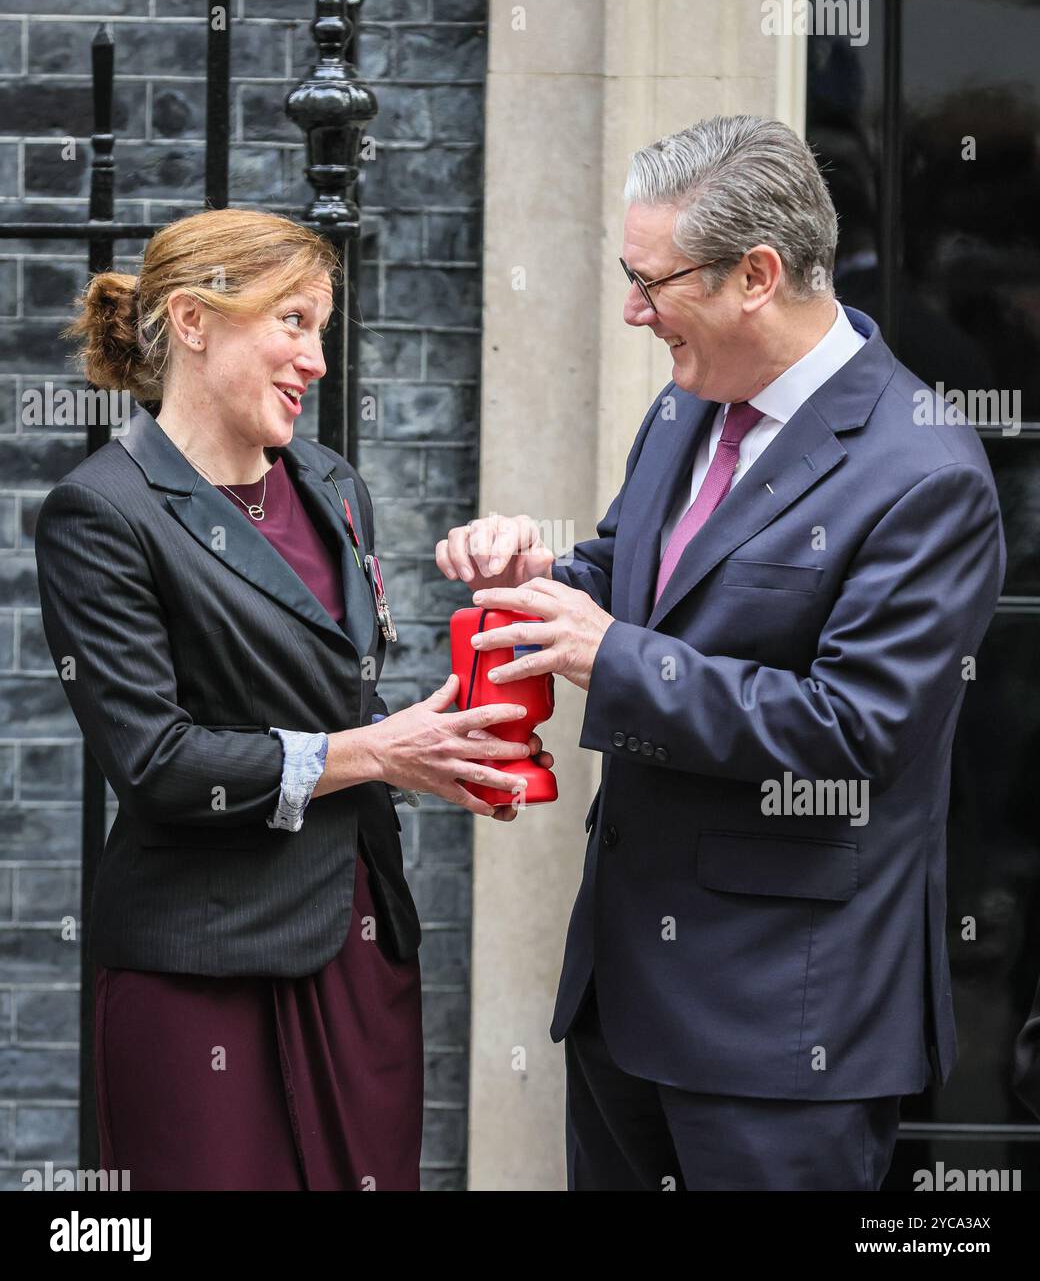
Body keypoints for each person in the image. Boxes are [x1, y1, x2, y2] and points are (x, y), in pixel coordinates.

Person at [436, 115, 1006, 1191]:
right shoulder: (683, 403)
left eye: (653, 281)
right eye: (627, 272)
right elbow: (630, 572)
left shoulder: (921, 469)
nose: (631, 307)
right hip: (621, 1000)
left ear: (756, 273)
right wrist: (538, 582)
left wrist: (606, 655)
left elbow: (854, 730)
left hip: (781, 1032)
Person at [34, 206, 549, 1191]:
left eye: (320, 328)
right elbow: (154, 764)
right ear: (191, 321)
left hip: (355, 951)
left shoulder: (330, 484)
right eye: (292, 323)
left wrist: (463, 722)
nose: (315, 359)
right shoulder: (102, 512)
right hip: (203, 966)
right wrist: (379, 753)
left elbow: (334, 697)